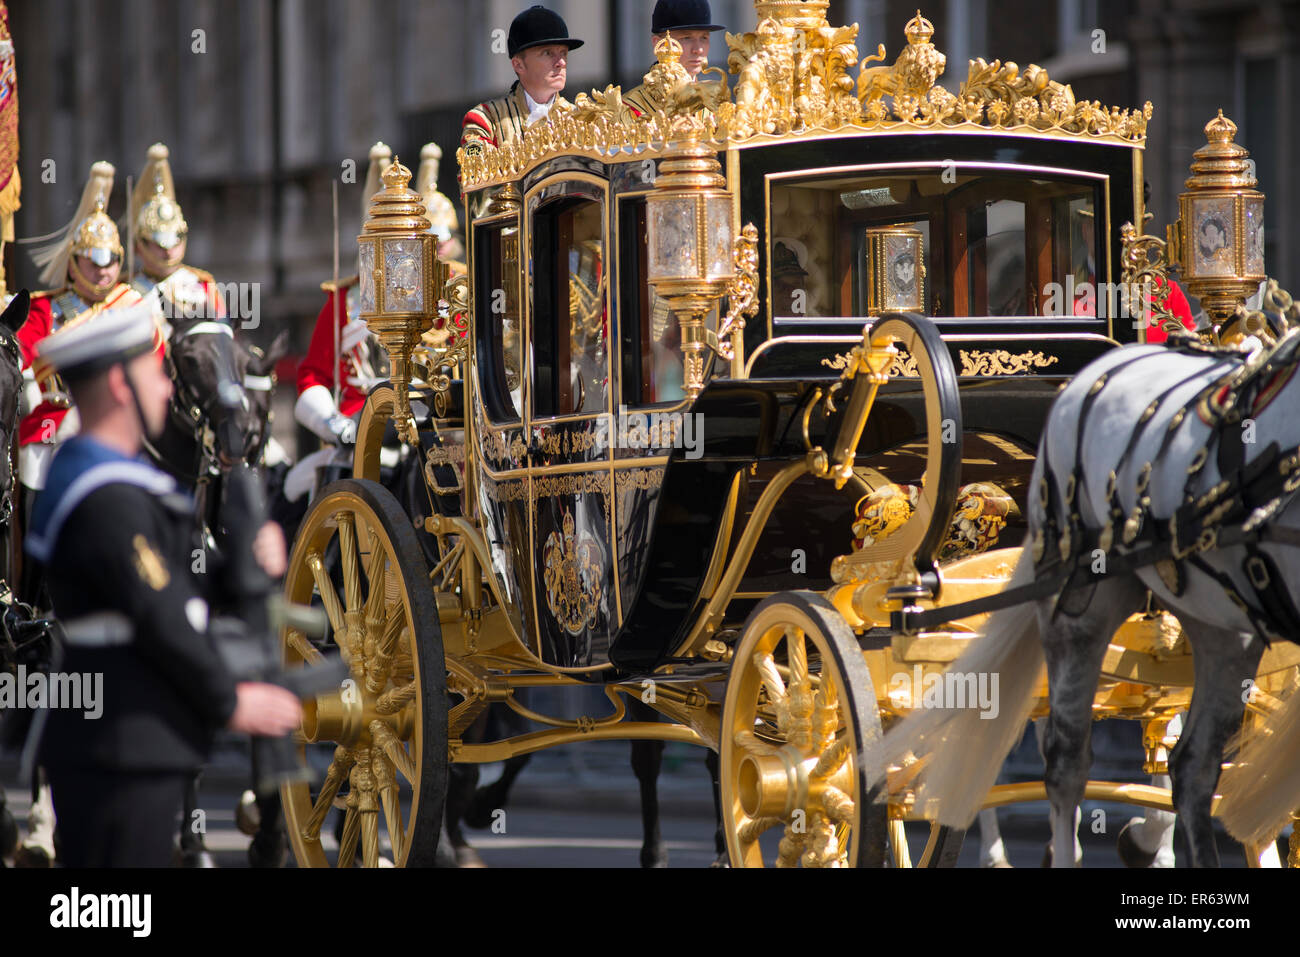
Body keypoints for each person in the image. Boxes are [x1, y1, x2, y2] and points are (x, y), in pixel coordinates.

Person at [24, 300, 300, 867]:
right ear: (121, 386)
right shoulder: (102, 494)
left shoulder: (118, 483)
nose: (168, 390)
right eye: (156, 373)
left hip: (135, 739)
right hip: (119, 741)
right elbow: (158, 614)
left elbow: (171, 585)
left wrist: (235, 568)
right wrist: (231, 701)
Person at [18, 161, 150, 493]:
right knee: (33, 464)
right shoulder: (43, 308)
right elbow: (20, 361)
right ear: (74, 264)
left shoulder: (134, 304)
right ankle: (33, 538)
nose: (103, 272)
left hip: (123, 411)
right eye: (93, 262)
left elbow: (154, 361)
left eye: (111, 262)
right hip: (58, 416)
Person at [127, 143, 227, 334]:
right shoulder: (125, 292)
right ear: (139, 245)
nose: (168, 250)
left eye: (175, 240)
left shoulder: (202, 285)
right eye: (159, 243)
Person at [460, 5, 583, 154]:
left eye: (563, 53)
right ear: (518, 65)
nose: (561, 62)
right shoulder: (486, 120)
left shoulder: (583, 119)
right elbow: (474, 174)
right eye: (547, 53)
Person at [624, 0, 724, 117]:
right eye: (687, 38)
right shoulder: (629, 108)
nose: (698, 49)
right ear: (660, 44)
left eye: (704, 38)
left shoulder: (716, 105)